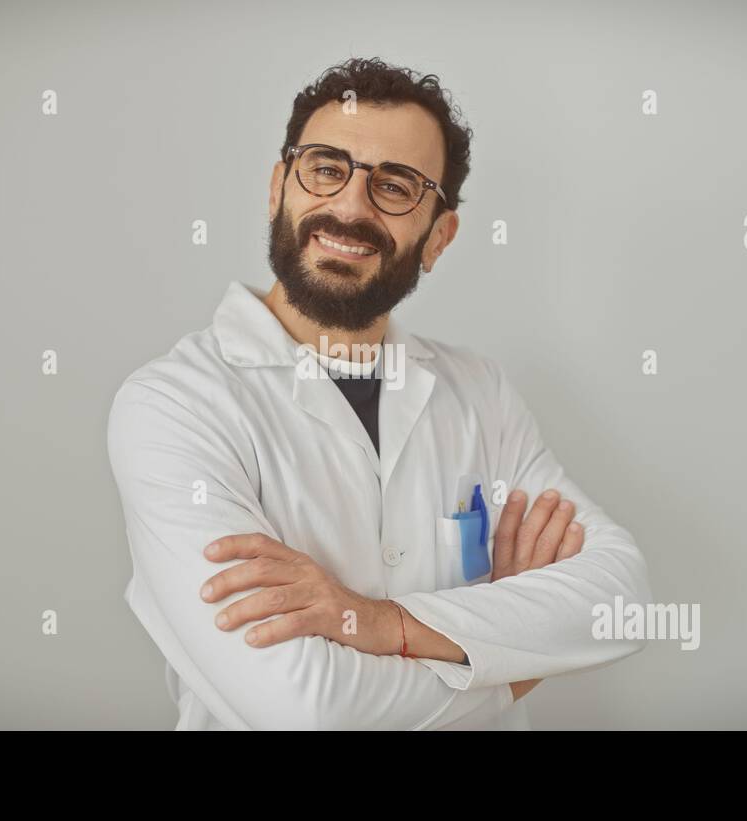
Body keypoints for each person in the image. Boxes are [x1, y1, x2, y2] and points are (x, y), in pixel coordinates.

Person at [107, 57, 651, 730]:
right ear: (279, 187)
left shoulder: (479, 390)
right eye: (327, 167)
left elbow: (620, 599)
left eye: (395, 186)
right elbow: (307, 709)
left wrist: (382, 623)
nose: (350, 207)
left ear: (438, 237)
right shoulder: (173, 406)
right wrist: (512, 662)